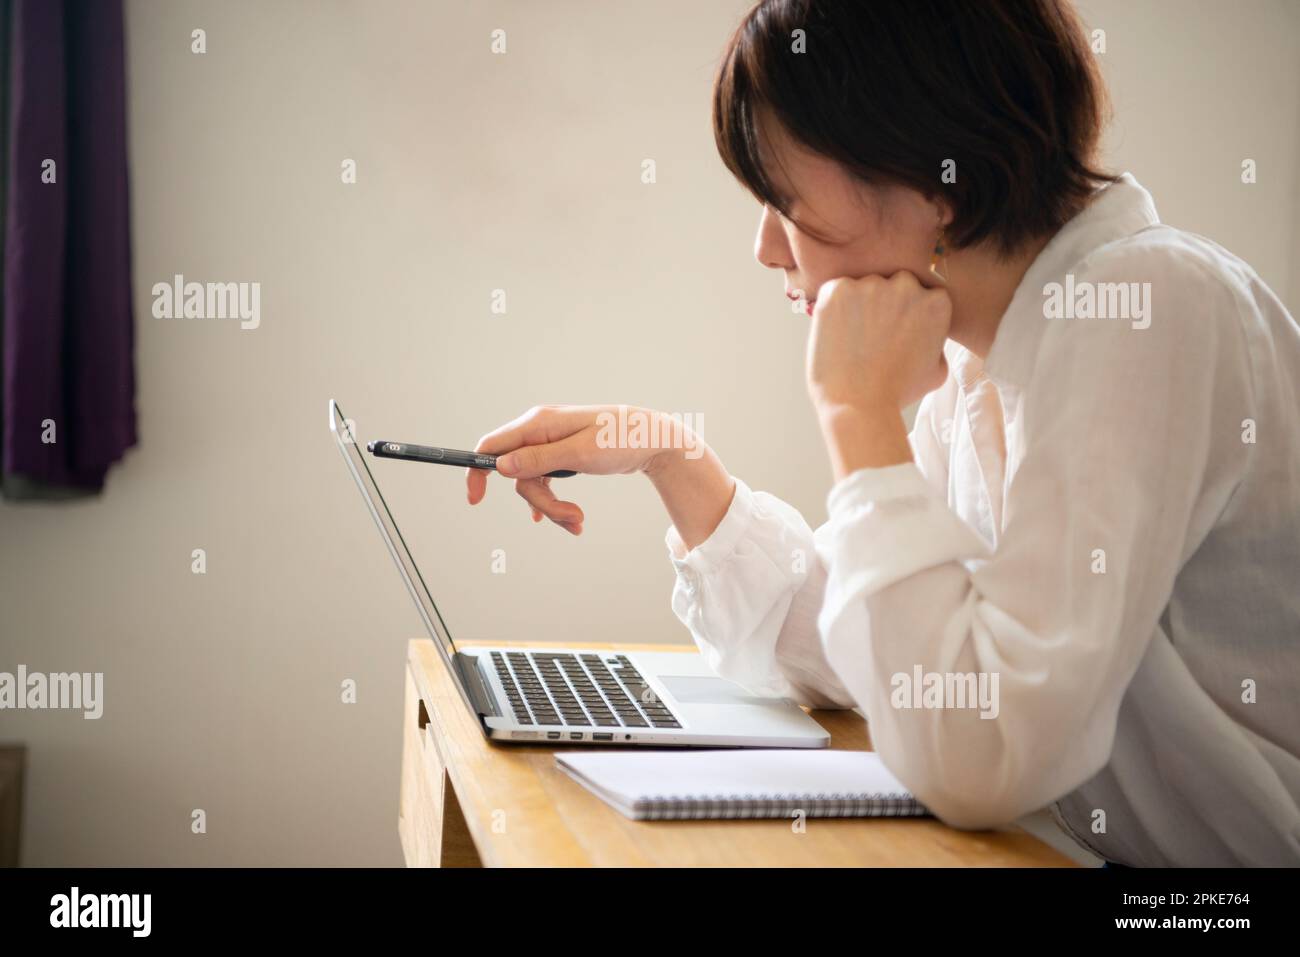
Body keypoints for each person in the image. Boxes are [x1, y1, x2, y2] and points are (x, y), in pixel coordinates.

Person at [465, 0, 1300, 866]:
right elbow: (877, 651)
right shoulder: (985, 365)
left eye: (783, 201)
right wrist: (672, 455)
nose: (765, 247)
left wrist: (857, 415)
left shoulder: (1139, 308)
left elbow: (981, 756)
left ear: (934, 183)